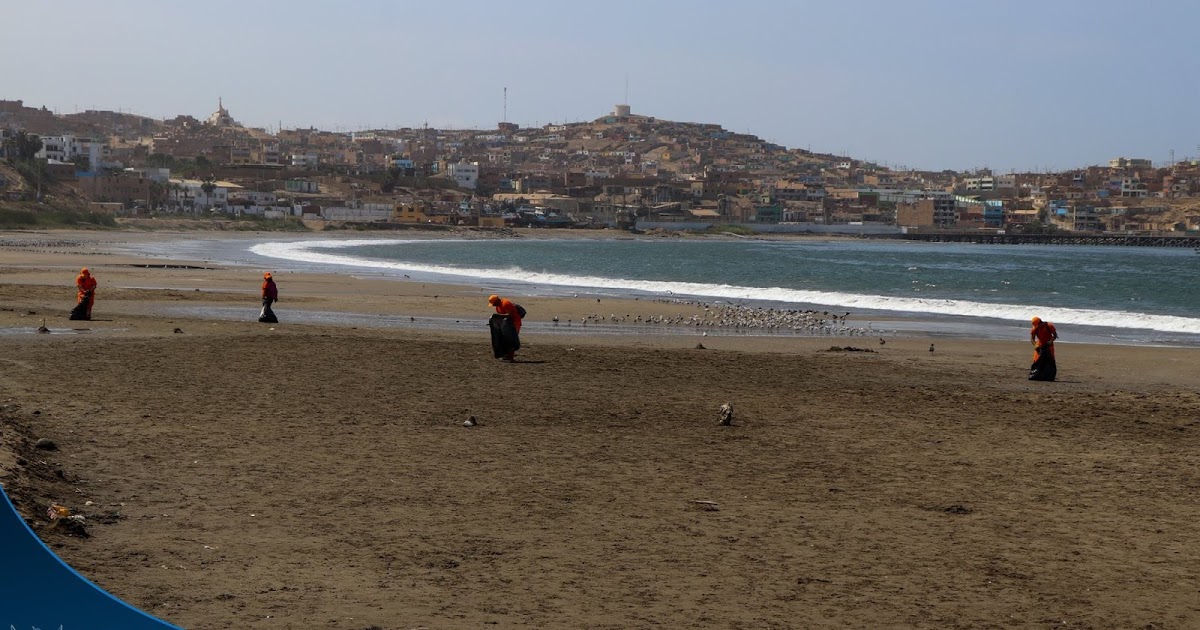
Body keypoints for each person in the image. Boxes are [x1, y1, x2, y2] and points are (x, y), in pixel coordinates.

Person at [487, 294, 522, 362]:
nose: (493, 305)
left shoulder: (505, 303)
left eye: (494, 303)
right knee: (504, 339)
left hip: (515, 322)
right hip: (507, 324)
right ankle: (506, 355)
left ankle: (510, 357)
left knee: (511, 339)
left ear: (497, 301)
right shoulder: (498, 307)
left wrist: (498, 316)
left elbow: (510, 315)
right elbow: (501, 317)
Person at [1028, 316, 1058, 381]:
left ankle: (1048, 377)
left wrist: (1051, 341)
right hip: (1039, 345)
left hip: (1049, 345)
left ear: (1041, 322)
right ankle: (1036, 376)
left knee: (1050, 360)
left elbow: (1055, 335)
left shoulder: (1049, 326)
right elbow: (1032, 339)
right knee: (1037, 360)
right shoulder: (1034, 329)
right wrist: (1035, 345)